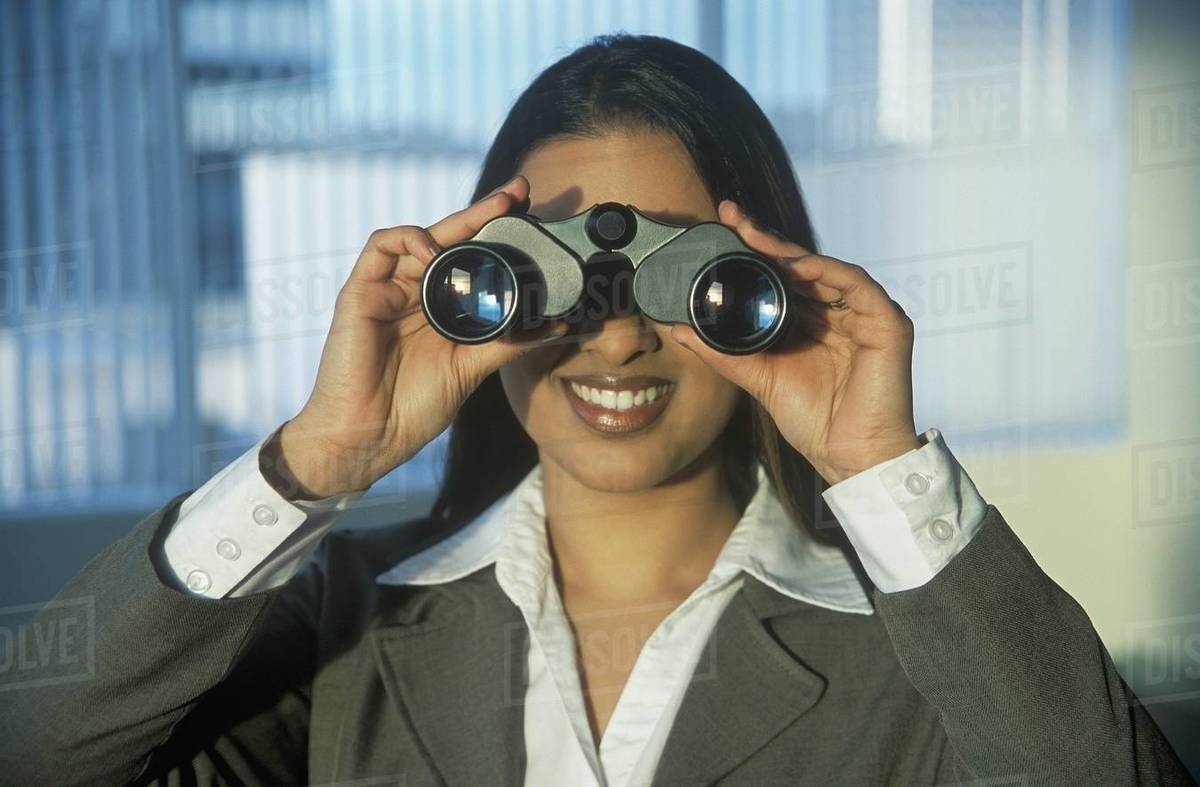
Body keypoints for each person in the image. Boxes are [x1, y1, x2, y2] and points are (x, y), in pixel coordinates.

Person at [1, 33, 1191, 787]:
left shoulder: (921, 655)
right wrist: (317, 460)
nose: (614, 330)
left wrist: (879, 467)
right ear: (474, 286)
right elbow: (36, 749)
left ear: (763, 290)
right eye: (552, 280)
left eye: (689, 281)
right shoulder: (342, 632)